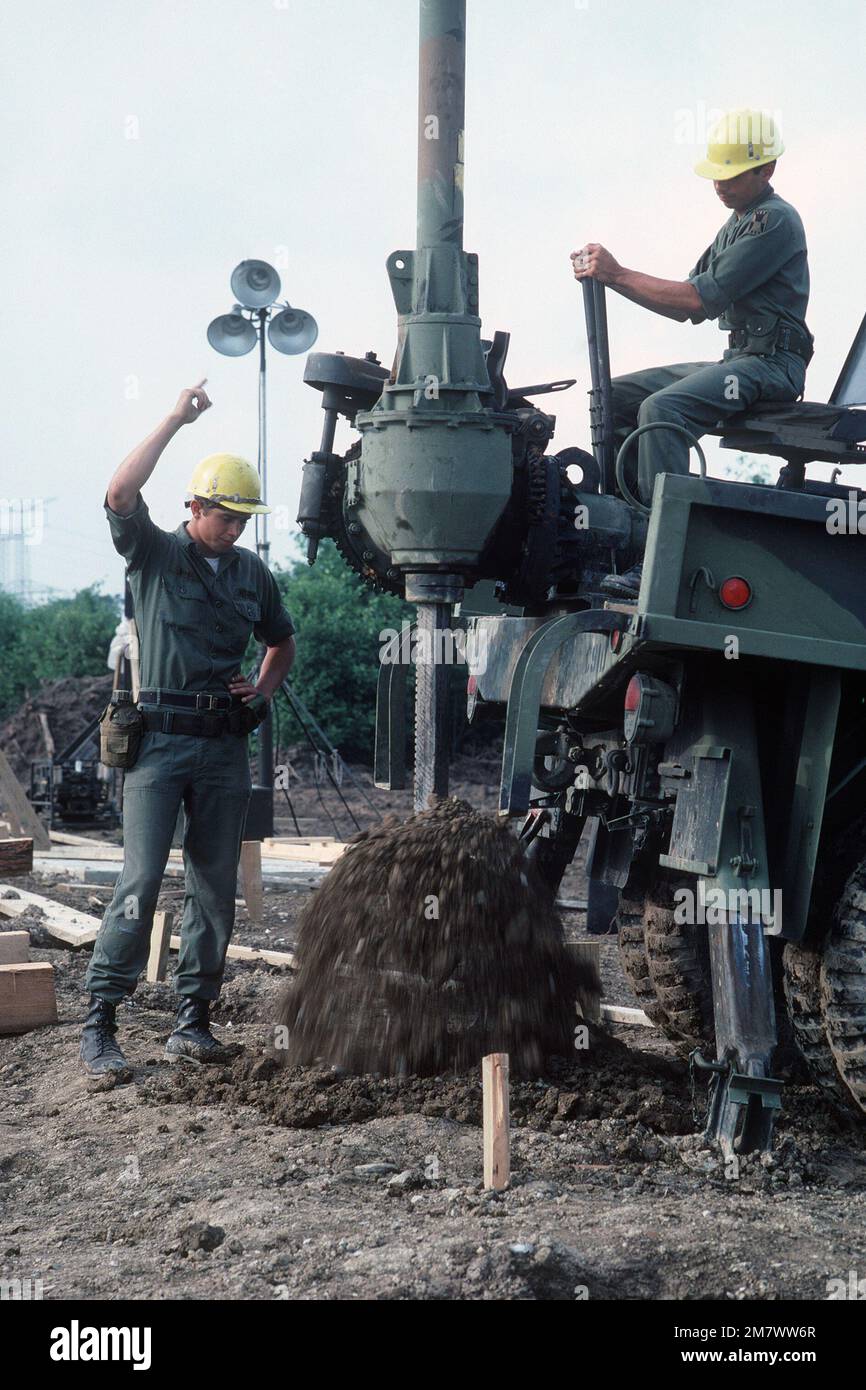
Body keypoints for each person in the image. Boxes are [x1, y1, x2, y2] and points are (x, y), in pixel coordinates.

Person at [80, 380, 297, 1077]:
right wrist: (173, 416)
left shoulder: (252, 574)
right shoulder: (155, 555)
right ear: (196, 508)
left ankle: (192, 1022)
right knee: (140, 883)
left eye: (243, 518)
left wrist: (258, 693)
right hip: (158, 745)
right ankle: (101, 1023)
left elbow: (281, 643)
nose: (235, 528)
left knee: (213, 888)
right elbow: (119, 492)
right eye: (225, 515)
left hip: (222, 746)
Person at [571, 108, 813, 597]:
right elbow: (686, 303)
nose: (719, 186)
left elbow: (697, 300)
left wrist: (616, 274)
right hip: (739, 361)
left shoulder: (775, 221)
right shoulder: (737, 223)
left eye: (731, 176)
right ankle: (625, 535)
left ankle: (661, 558)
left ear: (766, 170)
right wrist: (608, 276)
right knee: (615, 395)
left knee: (662, 407)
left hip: (774, 366)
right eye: (716, 176)